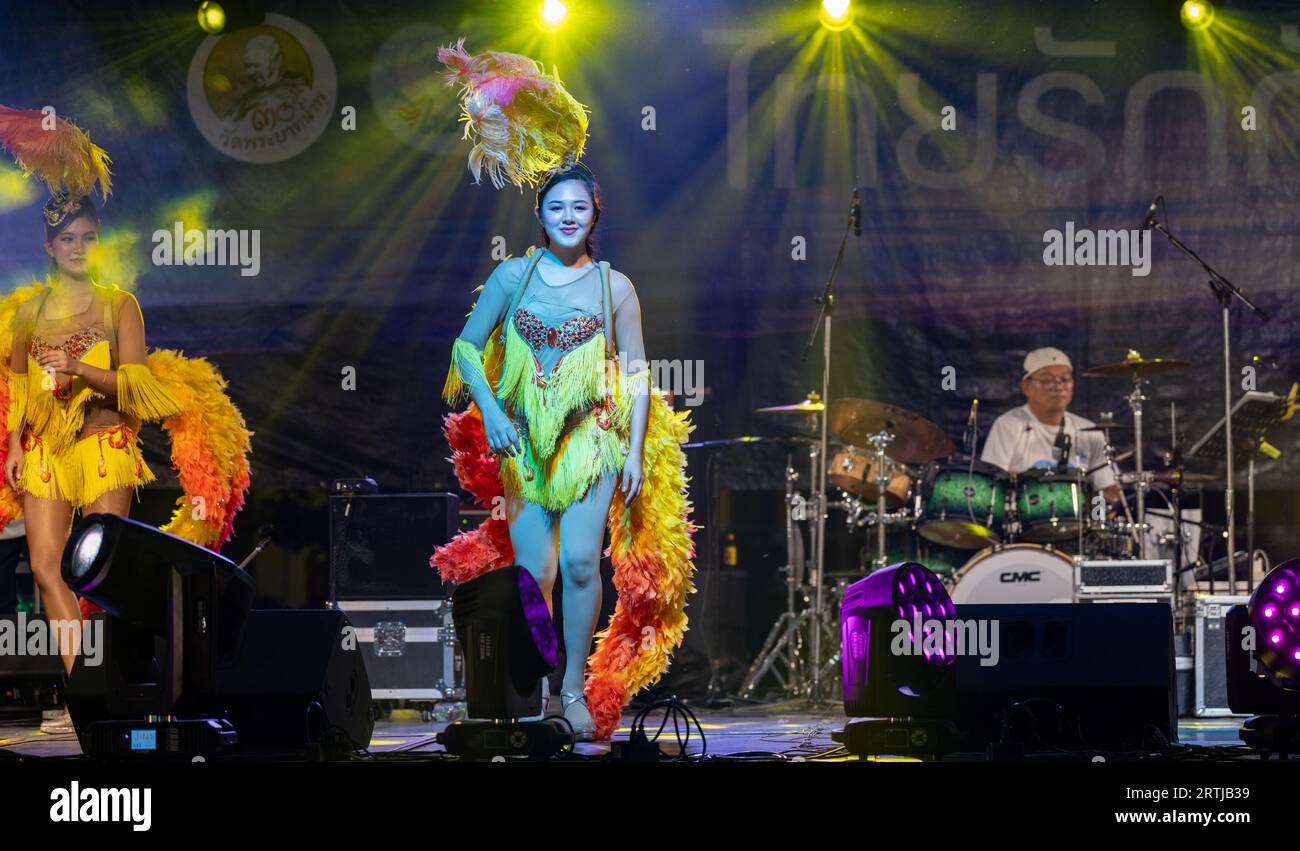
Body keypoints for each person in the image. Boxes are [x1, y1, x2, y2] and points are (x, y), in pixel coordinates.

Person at [431, 40, 695, 742]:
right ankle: (534, 684)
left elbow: (636, 371)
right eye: (557, 206)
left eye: (581, 206)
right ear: (542, 215)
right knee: (535, 570)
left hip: (591, 439)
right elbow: (464, 347)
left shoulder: (616, 288)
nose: (569, 216)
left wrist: (634, 451)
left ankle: (573, 689)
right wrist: (491, 412)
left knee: (581, 560)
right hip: (525, 442)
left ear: (596, 214)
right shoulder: (512, 279)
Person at [0, 104, 254, 734]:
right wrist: (11, 443)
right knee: (46, 568)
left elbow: (137, 387)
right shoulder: (29, 313)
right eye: (67, 239)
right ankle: (79, 694)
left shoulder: (120, 306)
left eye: (88, 237)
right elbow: (16, 380)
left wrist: (84, 372)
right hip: (42, 450)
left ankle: (115, 690)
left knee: (99, 571)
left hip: (104, 442)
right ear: (49, 245)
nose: (79, 248)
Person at [980, 347, 1121, 502]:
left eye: (1065, 379)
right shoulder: (1007, 425)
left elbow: (1109, 489)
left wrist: (1098, 514)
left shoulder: (1090, 431)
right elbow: (989, 485)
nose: (1058, 386)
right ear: (1027, 386)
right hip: (1022, 522)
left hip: (1080, 522)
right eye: (1047, 380)